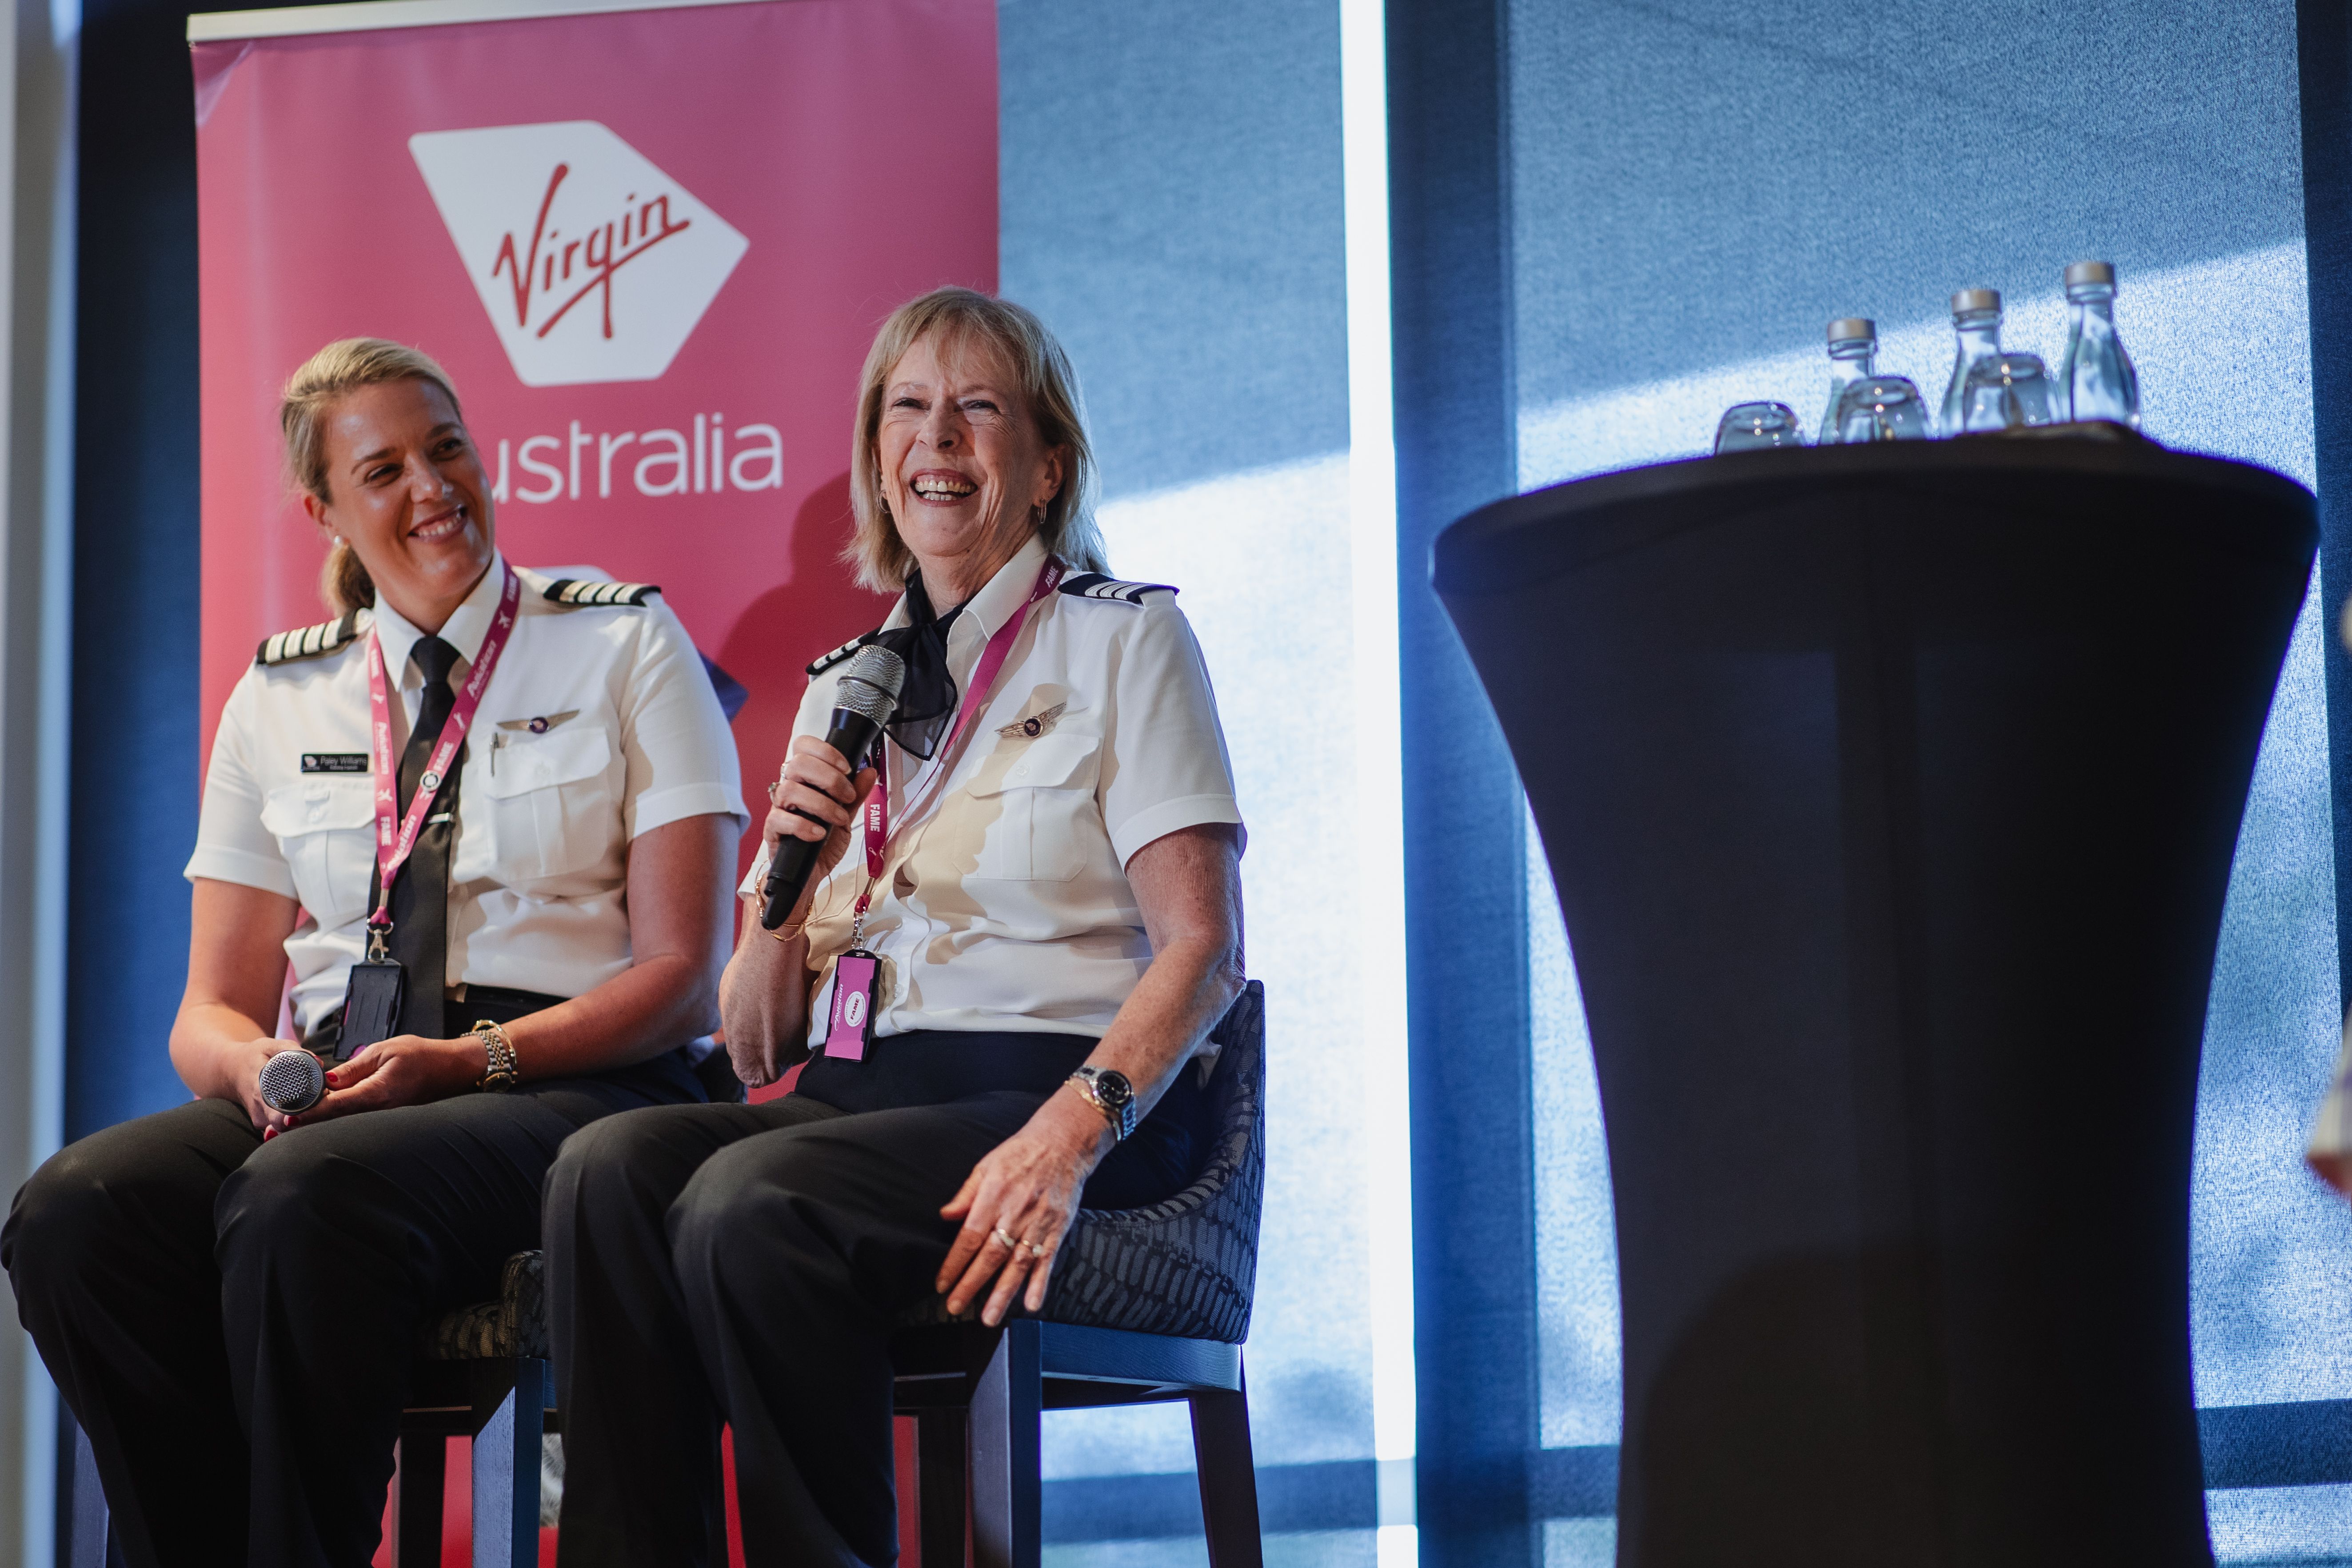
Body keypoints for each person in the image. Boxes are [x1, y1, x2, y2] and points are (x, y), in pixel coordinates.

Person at [2, 338, 745, 1568]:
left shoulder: (623, 641)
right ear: (326, 508)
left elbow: (684, 977)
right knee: (77, 1213)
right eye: (385, 467)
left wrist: (467, 1062)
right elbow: (209, 1007)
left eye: (446, 446)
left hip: (571, 1081)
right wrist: (254, 1072)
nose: (432, 488)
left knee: (306, 1198)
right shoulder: (280, 694)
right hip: (348, 1081)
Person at [544, 286, 1247, 1567]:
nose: (940, 440)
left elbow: (1204, 945)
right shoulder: (842, 687)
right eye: (910, 410)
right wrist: (786, 891)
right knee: (606, 1171)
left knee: (752, 1201)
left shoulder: (1124, 642)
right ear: (879, 460)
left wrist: (1070, 1132)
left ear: (1044, 469)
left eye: (980, 410)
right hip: (861, 1100)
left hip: (1059, 1096)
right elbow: (756, 1047)